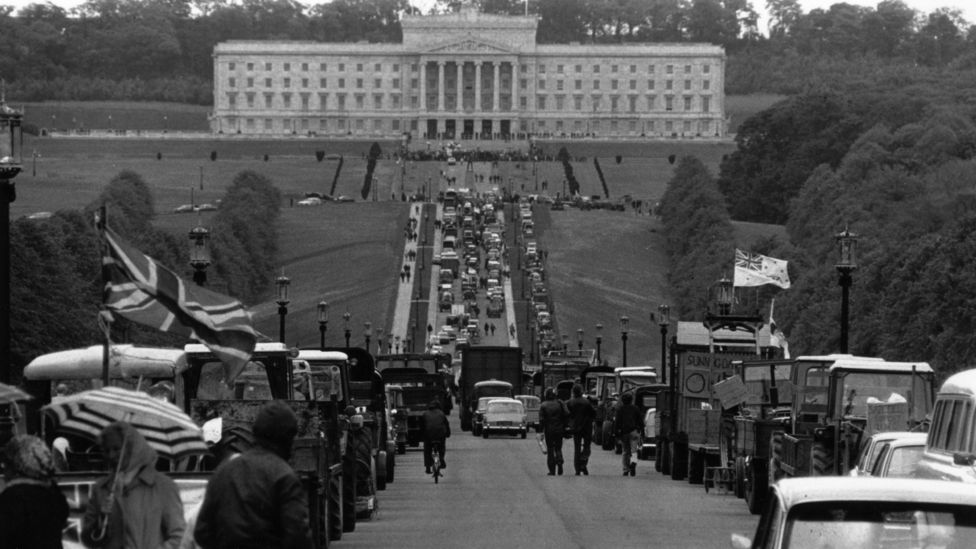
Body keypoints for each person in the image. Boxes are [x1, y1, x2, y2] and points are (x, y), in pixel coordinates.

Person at [194, 401, 313, 549]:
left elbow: (202, 532)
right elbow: (297, 536)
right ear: (288, 438)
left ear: (255, 432)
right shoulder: (284, 476)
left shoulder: (224, 471)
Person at [81, 421, 186, 548]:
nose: (111, 455)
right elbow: (88, 540)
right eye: (106, 450)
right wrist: (101, 520)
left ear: (133, 448)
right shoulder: (101, 488)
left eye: (116, 449)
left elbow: (179, 536)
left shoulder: (163, 486)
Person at [0, 434, 70, 549]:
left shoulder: (12, 497)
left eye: (6, 462)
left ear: (16, 464)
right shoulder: (54, 493)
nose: (2, 466)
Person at [566, 383, 596, 475]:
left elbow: (567, 415)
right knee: (587, 447)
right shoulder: (586, 402)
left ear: (573, 392)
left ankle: (577, 469)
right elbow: (593, 413)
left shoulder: (570, 402)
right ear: (581, 391)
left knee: (577, 448)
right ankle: (583, 462)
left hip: (576, 428)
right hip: (587, 427)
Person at [538, 388, 569, 475]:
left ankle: (552, 470)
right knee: (558, 447)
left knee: (550, 449)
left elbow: (541, 420)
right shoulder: (560, 403)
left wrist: (541, 431)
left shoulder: (543, 405)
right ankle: (559, 461)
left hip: (549, 430)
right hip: (559, 429)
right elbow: (567, 413)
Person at [614, 392, 644, 477]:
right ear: (631, 400)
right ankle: (633, 463)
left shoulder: (620, 409)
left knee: (625, 451)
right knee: (634, 450)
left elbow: (617, 422)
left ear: (623, 401)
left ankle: (626, 469)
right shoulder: (636, 409)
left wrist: (616, 433)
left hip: (624, 433)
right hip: (634, 431)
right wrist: (642, 431)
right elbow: (640, 421)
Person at [420, 399, 450, 474]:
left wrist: (422, 436)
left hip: (429, 436)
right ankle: (441, 458)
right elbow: (446, 425)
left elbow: (422, 426)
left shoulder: (425, 414)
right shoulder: (441, 413)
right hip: (440, 435)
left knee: (427, 450)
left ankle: (427, 467)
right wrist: (448, 434)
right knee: (442, 447)